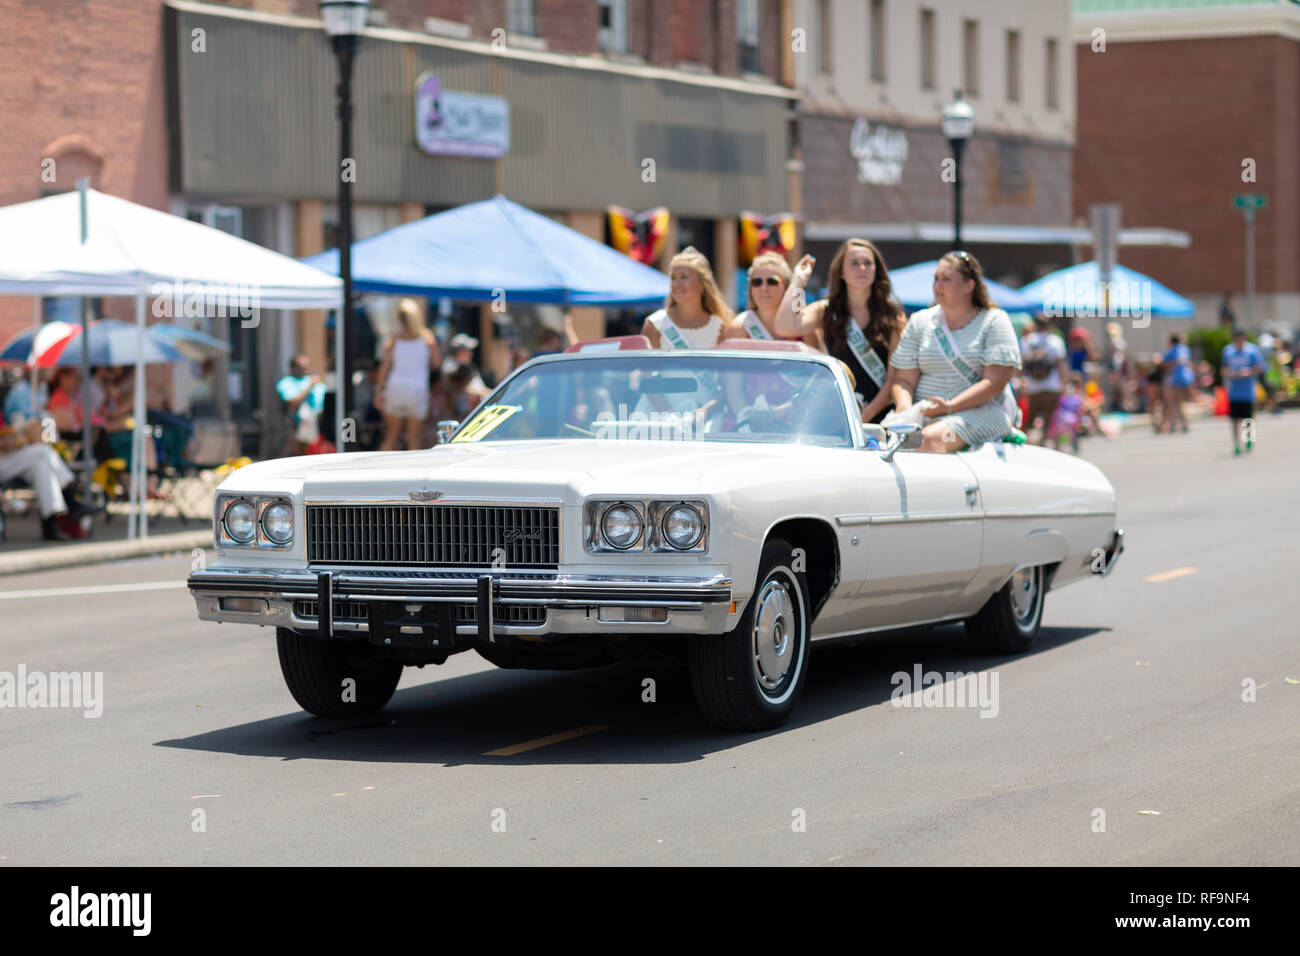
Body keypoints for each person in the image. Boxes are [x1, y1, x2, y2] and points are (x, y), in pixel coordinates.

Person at [887, 251, 1023, 453]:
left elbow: (995, 383)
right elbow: (904, 380)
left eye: (946, 279)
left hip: (981, 413)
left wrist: (949, 407)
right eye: (936, 279)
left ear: (969, 286)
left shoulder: (994, 320)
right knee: (885, 441)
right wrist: (905, 409)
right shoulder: (919, 321)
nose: (938, 285)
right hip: (926, 412)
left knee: (929, 440)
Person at [774, 238, 905, 423]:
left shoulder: (892, 315)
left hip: (878, 418)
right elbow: (785, 326)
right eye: (854, 264)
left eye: (868, 263)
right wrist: (798, 281)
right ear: (841, 272)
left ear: (876, 270)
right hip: (836, 415)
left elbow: (894, 378)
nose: (862, 268)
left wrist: (864, 416)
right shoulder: (825, 311)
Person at [0, 418, 91, 540]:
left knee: (41, 468)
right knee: (44, 451)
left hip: (10, 457)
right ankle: (71, 498)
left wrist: (13, 438)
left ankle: (51, 524)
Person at [375, 298, 440, 451]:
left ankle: (377, 470)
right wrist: (423, 368)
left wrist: (378, 391)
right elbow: (436, 363)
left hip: (395, 388)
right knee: (414, 438)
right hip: (417, 389)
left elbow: (384, 368)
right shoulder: (427, 339)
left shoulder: (394, 340)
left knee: (391, 435)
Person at [640, 246, 736, 350]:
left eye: (684, 277)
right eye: (673, 278)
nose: (676, 284)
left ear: (701, 283)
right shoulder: (655, 324)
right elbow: (645, 365)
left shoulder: (720, 327)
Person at [1018, 316, 1069, 445]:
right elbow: (1060, 363)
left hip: (1032, 386)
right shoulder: (1055, 341)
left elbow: (1022, 364)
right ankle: (1044, 443)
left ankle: (1026, 444)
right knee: (1048, 419)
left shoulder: (1027, 340)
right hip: (1052, 385)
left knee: (1030, 419)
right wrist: (1065, 382)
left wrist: (1020, 380)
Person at [732, 252, 796, 341]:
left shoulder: (802, 327)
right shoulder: (737, 328)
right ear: (751, 289)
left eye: (772, 281)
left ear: (786, 287)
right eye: (757, 282)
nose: (764, 288)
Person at [1220, 327, 1263, 455]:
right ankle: (1236, 443)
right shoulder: (1227, 351)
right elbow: (1223, 369)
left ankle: (1248, 439)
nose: (1238, 341)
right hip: (1234, 391)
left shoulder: (1252, 351)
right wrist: (1231, 374)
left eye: (1240, 338)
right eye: (1235, 338)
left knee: (1248, 418)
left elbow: (1258, 368)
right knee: (1234, 419)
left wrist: (1246, 373)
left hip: (1247, 390)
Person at [276, 355, 327, 456]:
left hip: (315, 425)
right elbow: (293, 403)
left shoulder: (311, 381)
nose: (304, 370)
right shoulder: (286, 383)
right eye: (301, 367)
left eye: (306, 367)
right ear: (293, 368)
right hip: (294, 428)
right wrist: (309, 387)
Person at [1160, 333, 1195, 433]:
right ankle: (1181, 423)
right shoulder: (1184, 349)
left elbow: (1164, 362)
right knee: (1179, 403)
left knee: (1173, 403)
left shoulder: (1171, 350)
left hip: (1175, 379)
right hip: (1186, 379)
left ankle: (1177, 424)